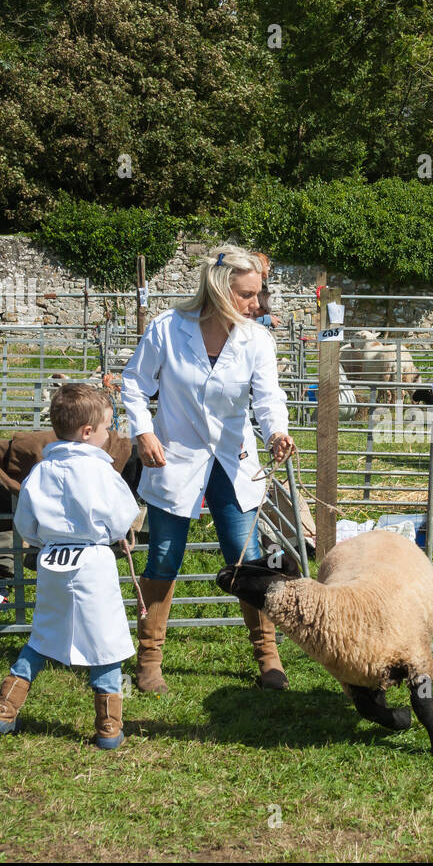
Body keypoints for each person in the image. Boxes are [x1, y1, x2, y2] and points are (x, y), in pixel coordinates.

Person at [121, 244, 296, 693]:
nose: (257, 304)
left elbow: (268, 397)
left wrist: (276, 431)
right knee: (163, 555)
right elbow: (135, 385)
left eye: (258, 293)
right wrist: (143, 433)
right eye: (247, 295)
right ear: (220, 291)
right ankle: (150, 659)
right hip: (174, 458)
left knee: (247, 558)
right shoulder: (167, 329)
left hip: (233, 460)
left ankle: (268, 657)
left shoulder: (257, 338)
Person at [0, 384, 141, 749]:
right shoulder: (103, 473)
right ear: (89, 432)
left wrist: (45, 541)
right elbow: (122, 519)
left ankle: (4, 709)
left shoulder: (40, 472)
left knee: (44, 633)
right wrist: (114, 532)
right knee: (105, 642)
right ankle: (108, 728)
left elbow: (25, 523)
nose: (109, 435)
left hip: (53, 561)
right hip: (93, 562)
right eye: (106, 428)